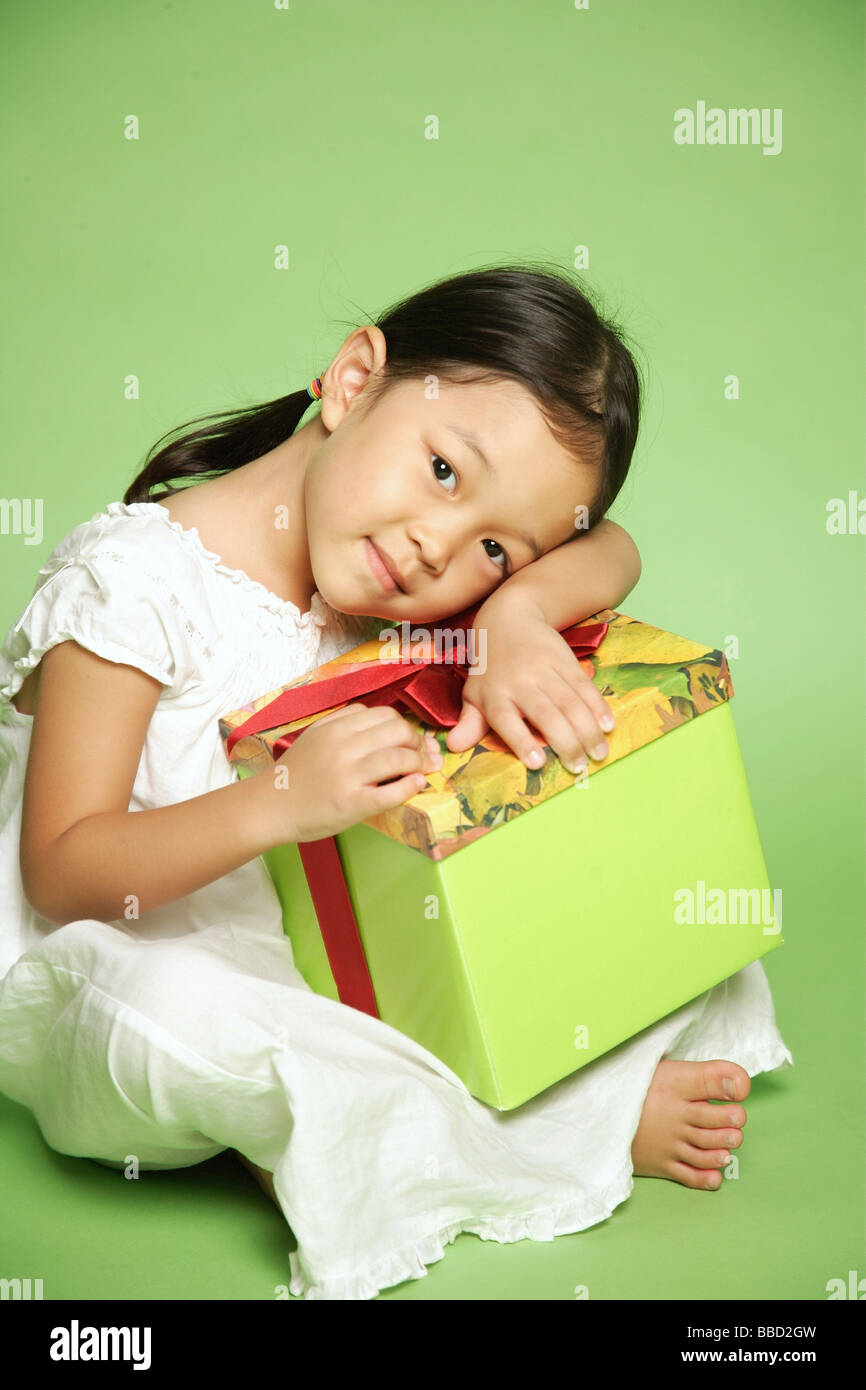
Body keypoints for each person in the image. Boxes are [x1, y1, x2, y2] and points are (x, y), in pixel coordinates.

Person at [0, 264, 791, 1300]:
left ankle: (394, 1110)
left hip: (330, 941)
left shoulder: (410, 589)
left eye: (497, 547)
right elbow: (61, 872)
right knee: (178, 1013)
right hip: (124, 950)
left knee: (645, 917)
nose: (437, 549)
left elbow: (614, 550)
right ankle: (544, 1129)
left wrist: (513, 617)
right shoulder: (134, 585)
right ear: (352, 378)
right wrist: (278, 803)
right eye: (444, 473)